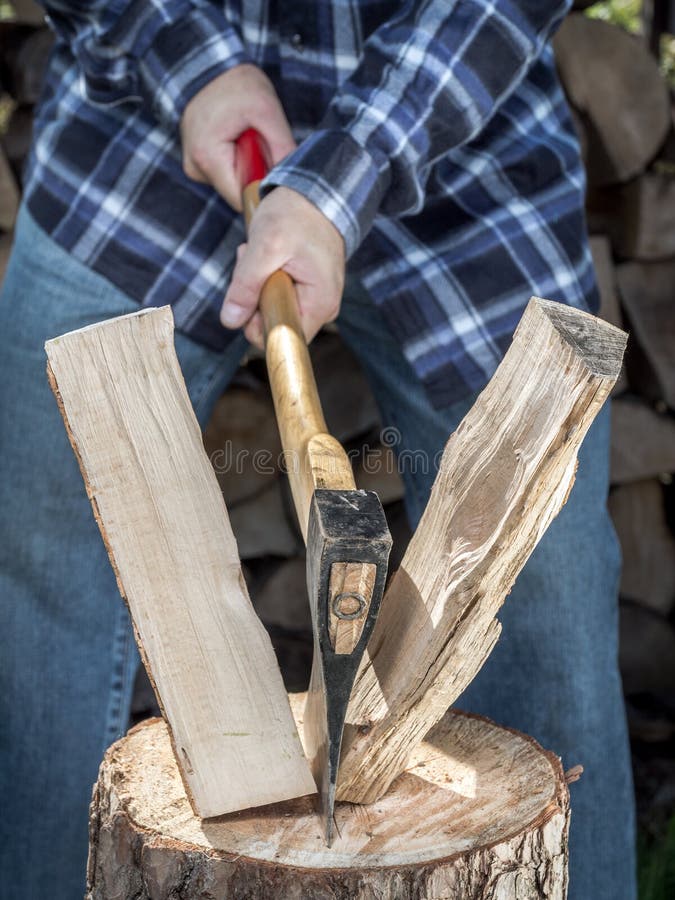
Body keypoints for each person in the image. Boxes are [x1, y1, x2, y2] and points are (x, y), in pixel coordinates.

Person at [0, 2, 636, 897]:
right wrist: (189, 62)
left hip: (456, 138)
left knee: (547, 572)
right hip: (150, 130)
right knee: (40, 541)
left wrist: (343, 178)